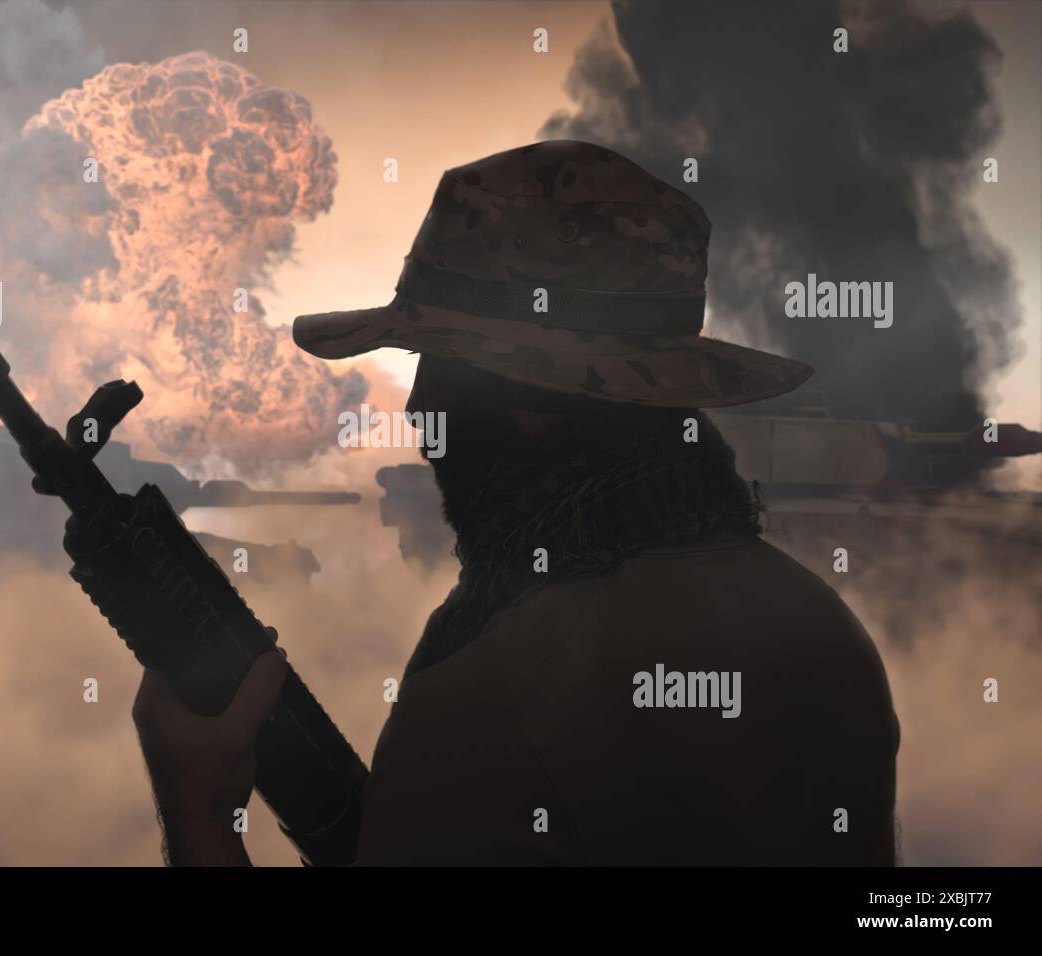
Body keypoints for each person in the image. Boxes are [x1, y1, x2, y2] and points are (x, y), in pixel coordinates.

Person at [132, 140, 901, 866]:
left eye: (440, 372)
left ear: (532, 399)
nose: (420, 412)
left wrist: (200, 820)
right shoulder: (821, 628)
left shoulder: (485, 701)